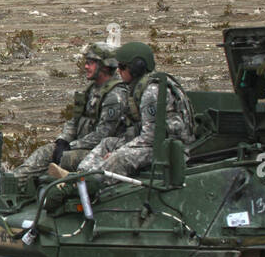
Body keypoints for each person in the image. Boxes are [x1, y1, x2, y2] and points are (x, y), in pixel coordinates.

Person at [76, 41, 196, 179]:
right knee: (107, 143)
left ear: (136, 68)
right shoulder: (140, 87)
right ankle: (80, 176)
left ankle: (92, 184)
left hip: (169, 150)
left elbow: (149, 137)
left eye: (122, 67)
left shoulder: (152, 92)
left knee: (120, 157)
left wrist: (120, 150)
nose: (118, 71)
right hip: (155, 143)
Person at [12, 42, 128, 178]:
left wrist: (71, 146)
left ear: (104, 66)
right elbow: (74, 121)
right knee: (46, 151)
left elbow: (102, 135)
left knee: (64, 159)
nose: (85, 66)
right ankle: (8, 184)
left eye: (90, 63)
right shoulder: (92, 90)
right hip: (80, 146)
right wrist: (63, 140)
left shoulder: (115, 96)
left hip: (99, 151)